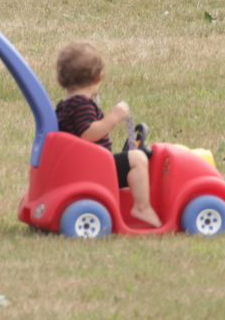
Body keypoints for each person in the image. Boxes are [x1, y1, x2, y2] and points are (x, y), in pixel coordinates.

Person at [53, 41, 162, 227]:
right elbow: (87, 133)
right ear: (99, 75)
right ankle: (141, 208)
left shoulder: (64, 104)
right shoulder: (81, 104)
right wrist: (114, 116)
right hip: (92, 170)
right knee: (137, 159)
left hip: (79, 167)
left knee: (132, 155)